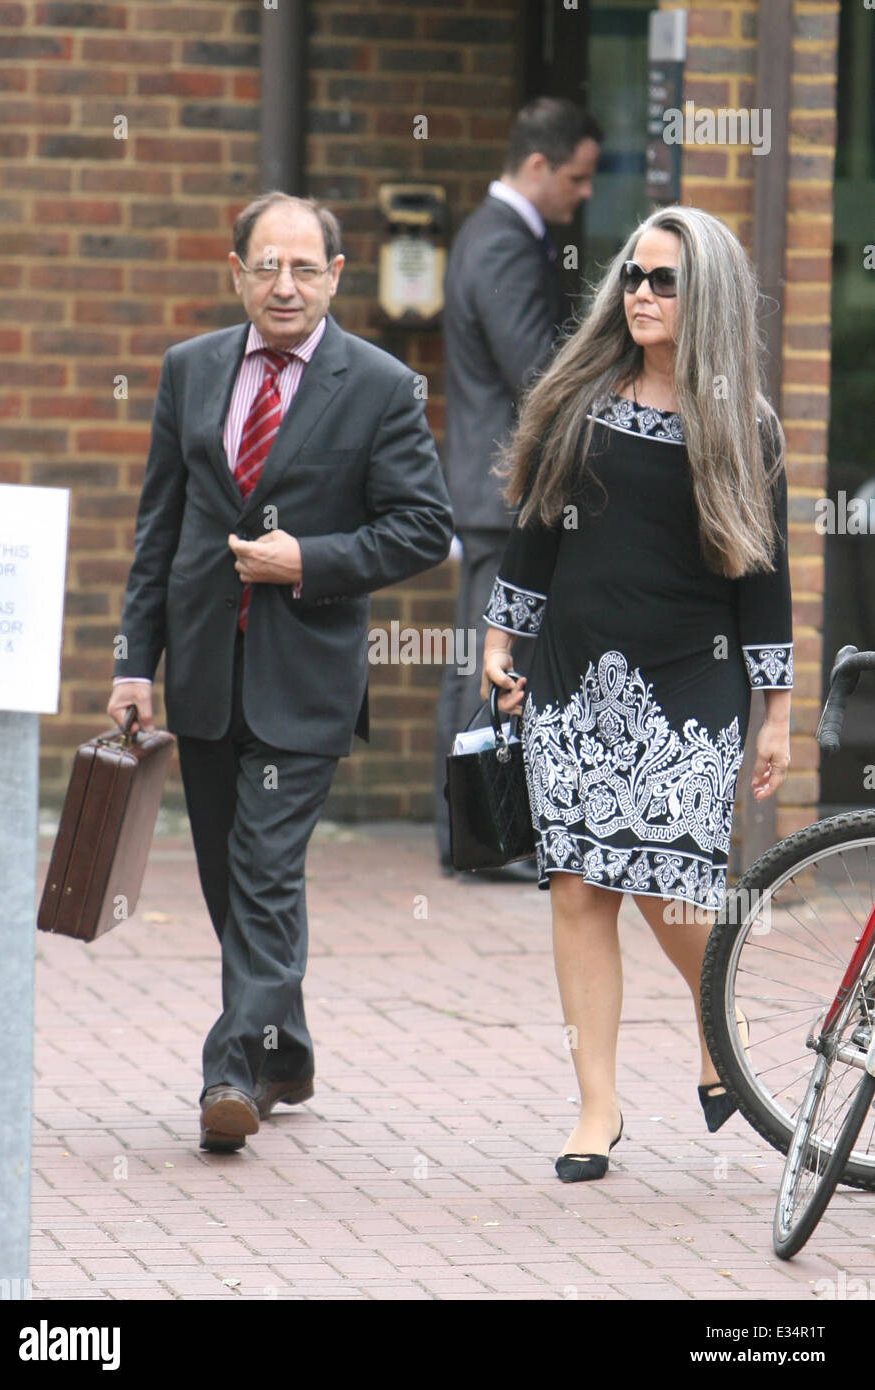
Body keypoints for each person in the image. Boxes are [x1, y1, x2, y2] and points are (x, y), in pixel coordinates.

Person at [108, 191, 453, 1153]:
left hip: (307, 679)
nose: (285, 285)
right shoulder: (190, 371)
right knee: (227, 877)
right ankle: (285, 1050)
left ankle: (231, 1075)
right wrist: (136, 661)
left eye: (305, 268)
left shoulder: (380, 384)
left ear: (336, 277)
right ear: (237, 272)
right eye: (267, 266)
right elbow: (159, 531)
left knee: (263, 870)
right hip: (207, 673)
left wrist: (313, 561)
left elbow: (426, 527)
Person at [481, 205, 793, 1181]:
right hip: (576, 673)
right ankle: (597, 1108)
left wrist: (774, 707)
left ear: (709, 298)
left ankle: (718, 1026)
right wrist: (500, 632)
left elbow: (764, 576)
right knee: (579, 885)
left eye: (666, 281)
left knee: (667, 875)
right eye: (633, 277)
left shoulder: (746, 424)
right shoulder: (579, 397)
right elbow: (535, 530)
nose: (643, 295)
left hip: (692, 676)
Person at [434, 97, 602, 878]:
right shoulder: (503, 243)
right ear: (537, 166)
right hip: (503, 495)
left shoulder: (495, 236)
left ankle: (474, 838)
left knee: (486, 656)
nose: (585, 192)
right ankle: (476, 840)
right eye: (577, 175)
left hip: (491, 491)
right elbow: (535, 370)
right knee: (490, 663)